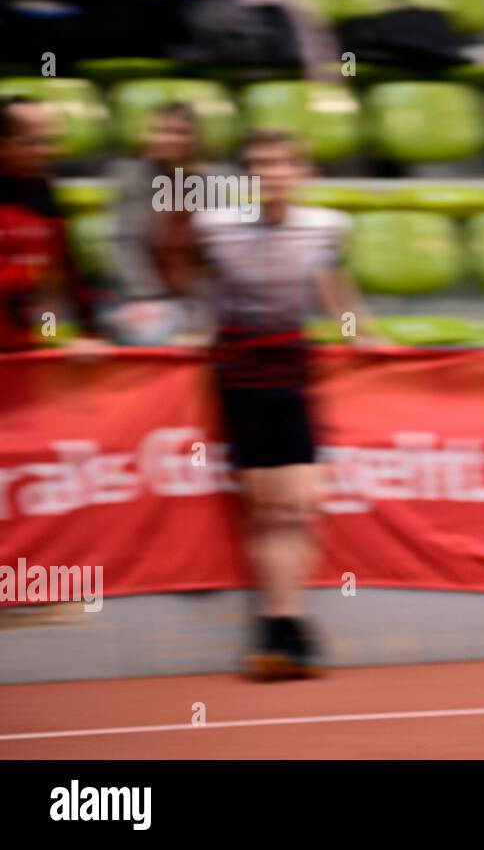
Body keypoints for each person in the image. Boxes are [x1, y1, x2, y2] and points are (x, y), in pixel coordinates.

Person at [184, 129, 383, 680]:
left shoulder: (325, 228)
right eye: (259, 165)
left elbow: (337, 295)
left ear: (300, 172)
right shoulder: (216, 227)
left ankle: (287, 626)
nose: (271, 173)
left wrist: (362, 334)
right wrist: (196, 332)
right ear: (248, 177)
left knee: (301, 502)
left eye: (281, 163)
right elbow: (203, 293)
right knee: (268, 506)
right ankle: (279, 628)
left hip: (293, 371)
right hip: (241, 373)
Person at [109, 102, 229, 344]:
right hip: (149, 297)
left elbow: (221, 251)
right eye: (162, 131)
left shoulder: (214, 182)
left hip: (199, 301)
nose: (169, 139)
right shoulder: (133, 177)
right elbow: (125, 245)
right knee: (151, 334)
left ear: (194, 140)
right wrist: (144, 297)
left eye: (179, 132)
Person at [0, 97, 101, 352]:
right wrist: (53, 340)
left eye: (52, 141)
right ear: (4, 147)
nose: (52, 152)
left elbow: (64, 279)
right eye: (36, 142)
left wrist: (88, 334)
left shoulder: (41, 194)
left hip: (37, 354)